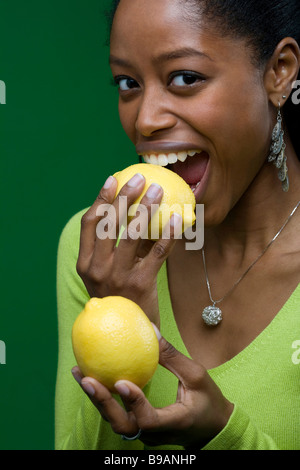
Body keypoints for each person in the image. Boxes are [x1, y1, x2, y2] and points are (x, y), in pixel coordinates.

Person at [55, 0, 300, 450]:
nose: (145, 120)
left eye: (185, 78)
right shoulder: (101, 244)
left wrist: (223, 436)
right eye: (128, 84)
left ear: (279, 72)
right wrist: (117, 314)